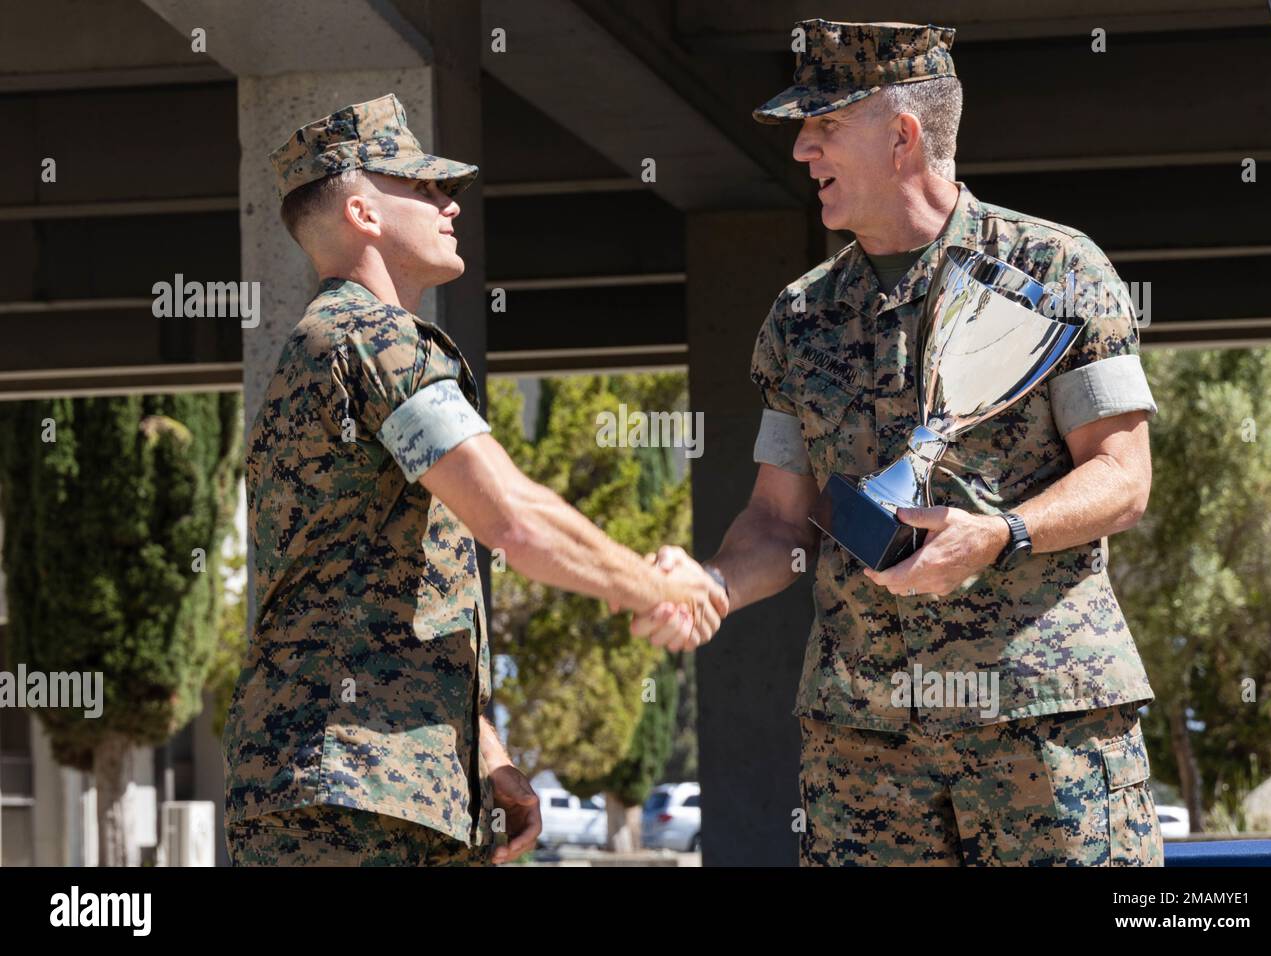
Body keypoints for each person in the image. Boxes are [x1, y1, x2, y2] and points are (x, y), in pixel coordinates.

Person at [644, 21, 1163, 866]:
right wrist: (709, 586)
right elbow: (781, 523)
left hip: (1040, 723)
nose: (803, 150)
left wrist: (1001, 535)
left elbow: (1123, 476)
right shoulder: (800, 316)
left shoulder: (1056, 270)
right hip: (865, 748)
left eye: (823, 126)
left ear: (902, 135)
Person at [224, 94, 727, 867]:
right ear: (362, 212)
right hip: (360, 791)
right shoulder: (375, 338)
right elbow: (514, 518)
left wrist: (482, 751)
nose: (448, 203)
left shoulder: (319, 346)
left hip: (351, 782)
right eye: (423, 187)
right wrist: (660, 591)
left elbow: (380, 594)